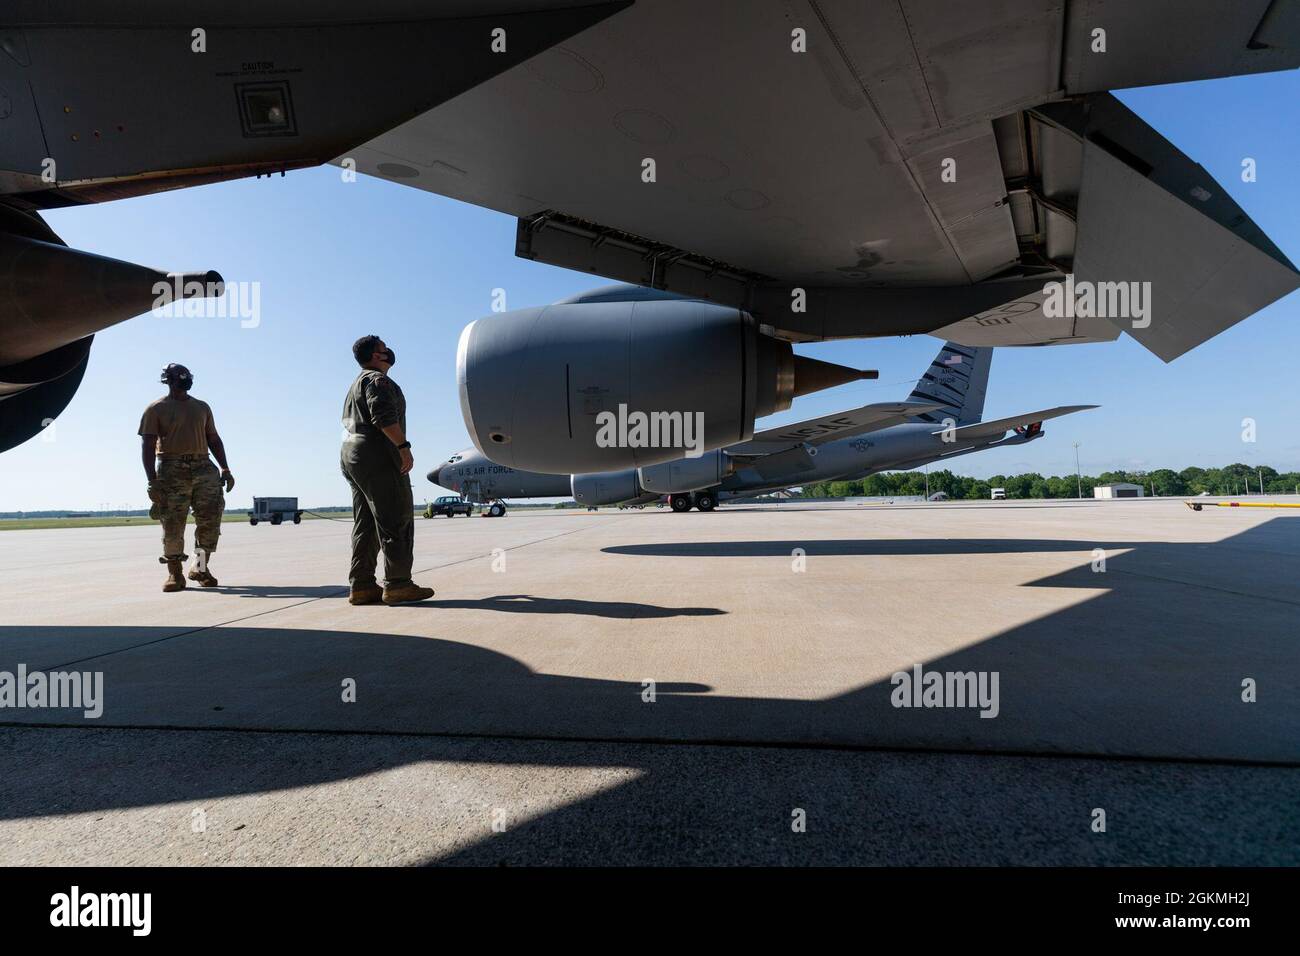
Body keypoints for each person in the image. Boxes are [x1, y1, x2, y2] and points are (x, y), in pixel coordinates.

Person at [340, 335, 434, 605]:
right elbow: (382, 416)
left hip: (352, 456)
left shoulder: (355, 385)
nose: (388, 352)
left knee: (366, 523)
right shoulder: (377, 381)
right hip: (377, 456)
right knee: (396, 517)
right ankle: (398, 584)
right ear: (374, 356)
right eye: (383, 349)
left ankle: (362, 585)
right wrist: (403, 446)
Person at [139, 364, 235, 592]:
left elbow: (214, 439)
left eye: (187, 375)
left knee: (210, 522)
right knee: (173, 524)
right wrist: (152, 480)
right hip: (172, 468)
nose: (185, 379)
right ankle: (175, 574)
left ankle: (200, 569)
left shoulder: (202, 407)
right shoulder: (156, 409)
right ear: (168, 380)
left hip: (204, 467)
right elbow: (148, 445)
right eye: (180, 376)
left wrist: (225, 469)